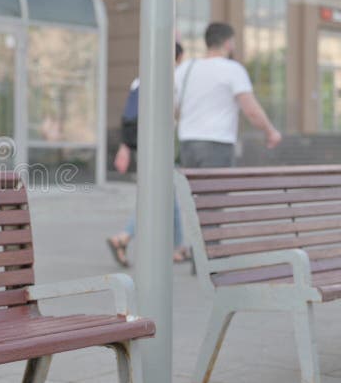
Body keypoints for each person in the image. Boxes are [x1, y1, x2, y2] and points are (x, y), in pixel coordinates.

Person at [107, 43, 187, 267]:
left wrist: (125, 145)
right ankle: (123, 236)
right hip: (161, 144)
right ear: (177, 58)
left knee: (166, 195)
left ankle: (176, 247)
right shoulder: (170, 79)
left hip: (142, 143)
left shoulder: (139, 79)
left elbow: (128, 115)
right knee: (157, 196)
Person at [175, 22, 281, 168]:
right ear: (228, 43)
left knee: (192, 190)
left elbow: (173, 107)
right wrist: (271, 132)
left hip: (187, 143)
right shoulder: (233, 70)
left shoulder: (186, 68)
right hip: (217, 143)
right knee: (215, 190)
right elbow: (251, 111)